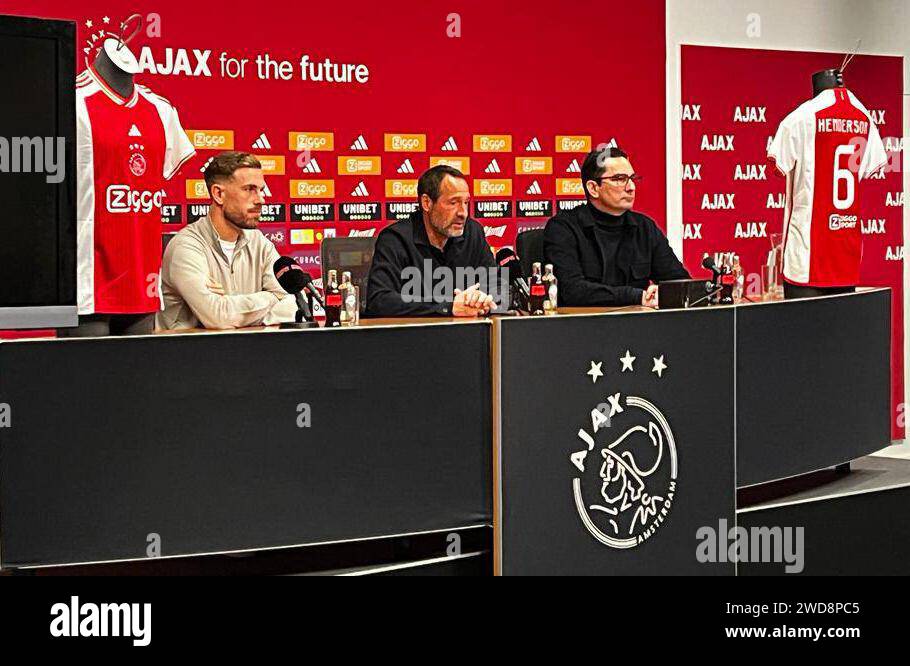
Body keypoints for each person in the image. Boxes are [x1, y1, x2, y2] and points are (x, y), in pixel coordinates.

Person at [156, 152, 296, 330]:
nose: (261, 199)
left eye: (261, 190)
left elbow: (293, 303)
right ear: (218, 194)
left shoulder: (259, 242)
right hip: (188, 354)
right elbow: (218, 317)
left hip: (243, 351)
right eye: (249, 189)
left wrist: (230, 306)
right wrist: (271, 298)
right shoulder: (186, 247)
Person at [543, 146, 689, 308]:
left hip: (639, 327)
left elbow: (680, 283)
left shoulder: (644, 227)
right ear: (593, 188)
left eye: (632, 178)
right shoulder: (564, 228)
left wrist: (666, 292)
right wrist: (637, 296)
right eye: (620, 179)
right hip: (582, 327)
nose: (631, 187)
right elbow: (571, 291)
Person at [365, 165, 499, 317]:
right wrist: (447, 307)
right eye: (453, 203)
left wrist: (482, 300)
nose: (463, 213)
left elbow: (498, 287)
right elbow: (379, 301)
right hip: (414, 337)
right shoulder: (395, 239)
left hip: (467, 334)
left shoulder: (473, 232)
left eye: (466, 202)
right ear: (427, 203)